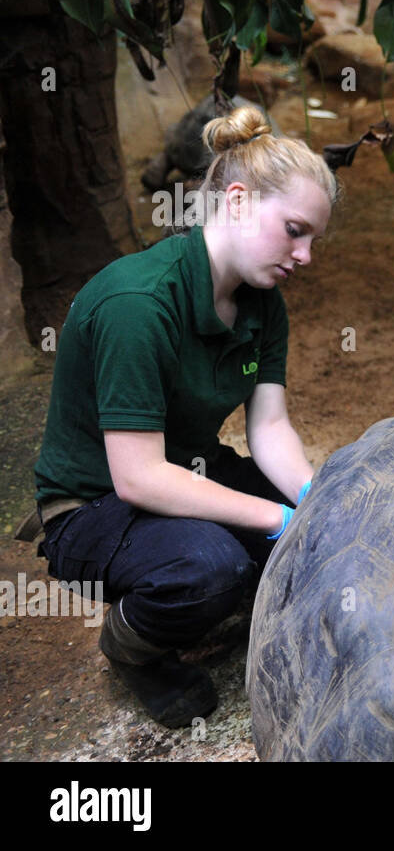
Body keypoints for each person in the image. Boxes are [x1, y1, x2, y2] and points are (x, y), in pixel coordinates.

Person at [31, 106, 339, 728]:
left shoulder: (262, 302)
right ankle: (132, 648)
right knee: (212, 568)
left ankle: (231, 575)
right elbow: (139, 479)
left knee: (322, 532)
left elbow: (270, 427)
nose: (304, 256)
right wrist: (277, 520)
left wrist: (312, 500)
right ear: (238, 200)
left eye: (312, 240)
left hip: (189, 470)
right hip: (96, 505)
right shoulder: (138, 304)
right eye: (295, 230)